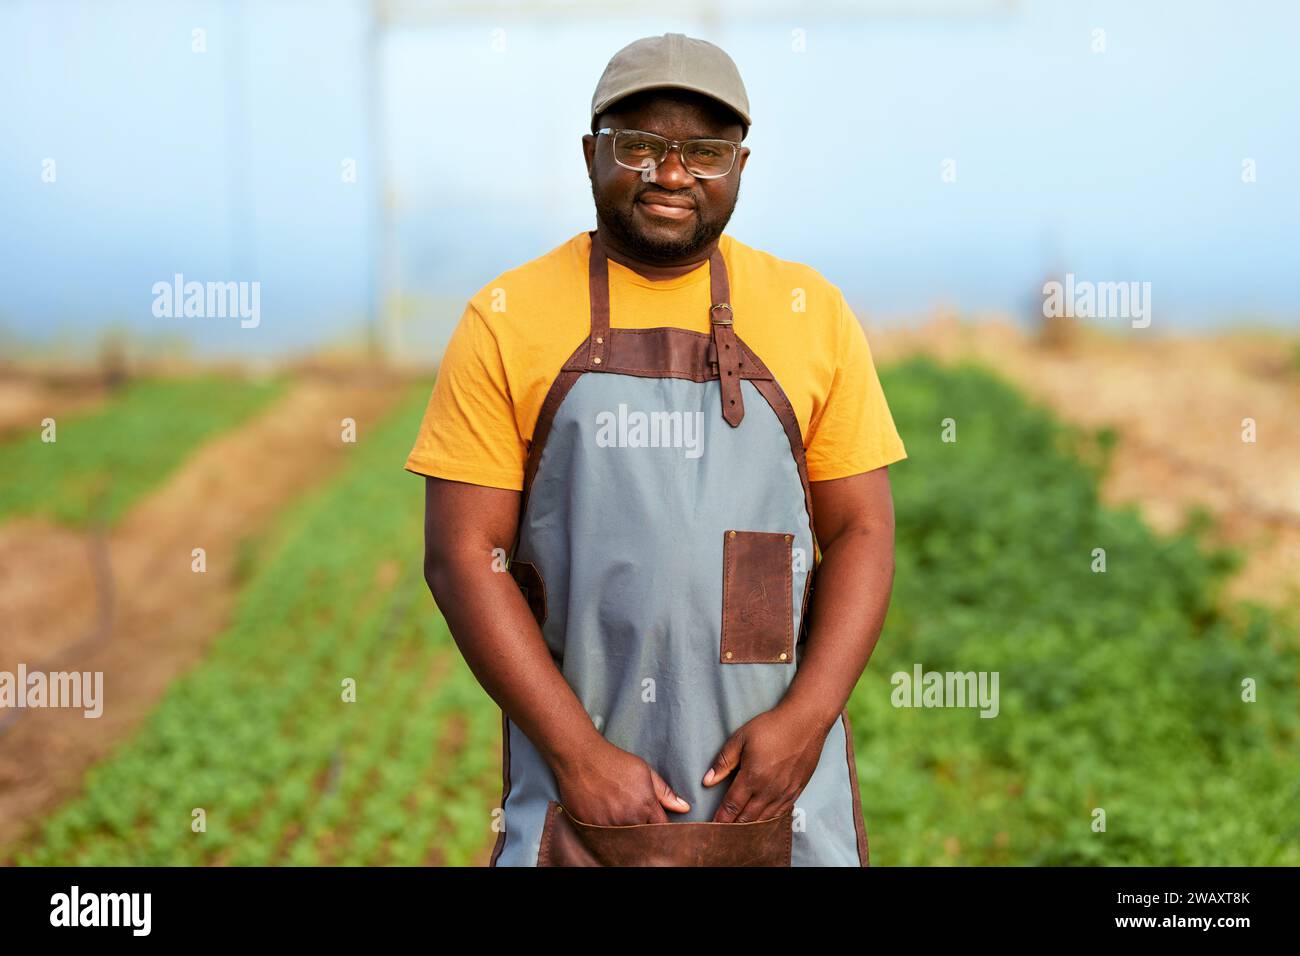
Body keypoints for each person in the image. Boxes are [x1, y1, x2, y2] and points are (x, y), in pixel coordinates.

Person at [407, 32, 907, 866]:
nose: (671, 174)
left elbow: (863, 531)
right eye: (639, 145)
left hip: (776, 781)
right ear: (590, 153)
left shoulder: (809, 311)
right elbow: (464, 554)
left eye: (704, 152)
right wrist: (577, 756)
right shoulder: (506, 316)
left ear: (740, 165)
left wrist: (804, 722)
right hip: (585, 789)